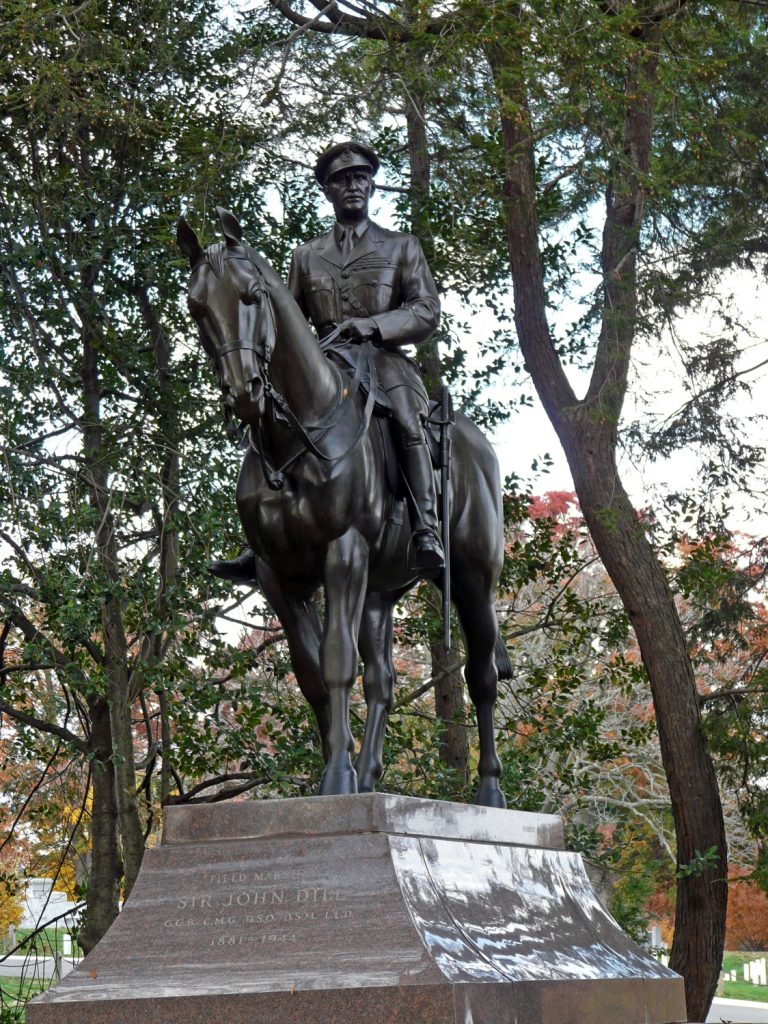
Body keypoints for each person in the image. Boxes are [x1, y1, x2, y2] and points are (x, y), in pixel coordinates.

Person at [211, 140, 445, 582]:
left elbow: (426, 310)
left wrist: (375, 325)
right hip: (325, 364)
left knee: (409, 422)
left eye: (359, 177)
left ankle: (425, 529)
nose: (352, 185)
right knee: (268, 420)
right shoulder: (307, 255)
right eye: (341, 179)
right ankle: (256, 543)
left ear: (372, 185)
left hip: (384, 363)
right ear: (327, 190)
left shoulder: (401, 247)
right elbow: (289, 318)